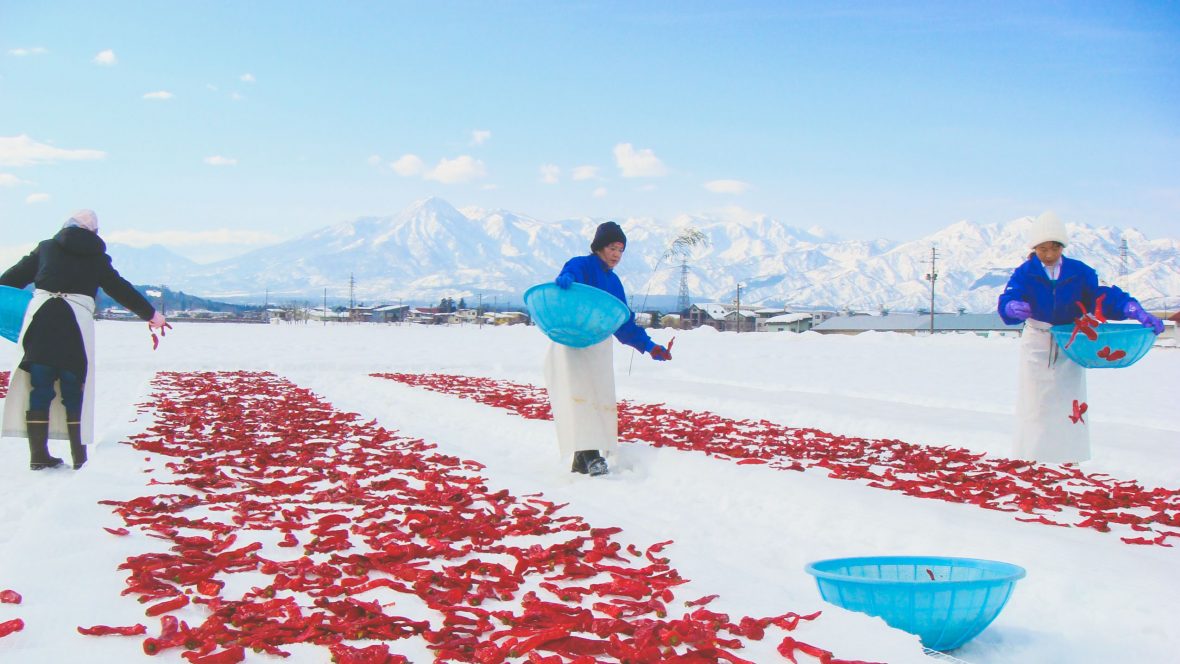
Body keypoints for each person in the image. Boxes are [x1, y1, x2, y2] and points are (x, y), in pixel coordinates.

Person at [1, 210, 167, 470]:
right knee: (73, 386)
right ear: (94, 232)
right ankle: (79, 457)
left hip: (41, 321)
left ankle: (38, 456)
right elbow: (120, 289)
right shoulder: (97, 257)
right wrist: (152, 315)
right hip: (75, 324)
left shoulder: (46, 248)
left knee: (40, 386)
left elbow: (9, 280)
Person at [997, 211, 1163, 463]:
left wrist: (1131, 308)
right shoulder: (1025, 272)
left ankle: (1068, 457)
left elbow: (1101, 296)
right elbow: (1010, 295)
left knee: (1068, 400)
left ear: (1062, 247)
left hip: (1070, 341)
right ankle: (1032, 456)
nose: (1049, 254)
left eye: (1054, 248)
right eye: (1043, 249)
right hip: (1037, 342)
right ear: (1034, 248)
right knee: (1035, 401)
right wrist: (1011, 307)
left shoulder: (1079, 271)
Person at [546, 221, 671, 477]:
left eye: (621, 250)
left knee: (597, 397)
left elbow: (623, 321)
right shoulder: (582, 265)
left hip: (598, 345)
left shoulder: (614, 283)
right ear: (600, 247)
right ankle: (592, 456)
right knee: (579, 395)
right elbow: (571, 275)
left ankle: (582, 459)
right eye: (612, 248)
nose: (616, 254)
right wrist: (567, 281)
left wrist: (649, 346)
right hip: (572, 344)